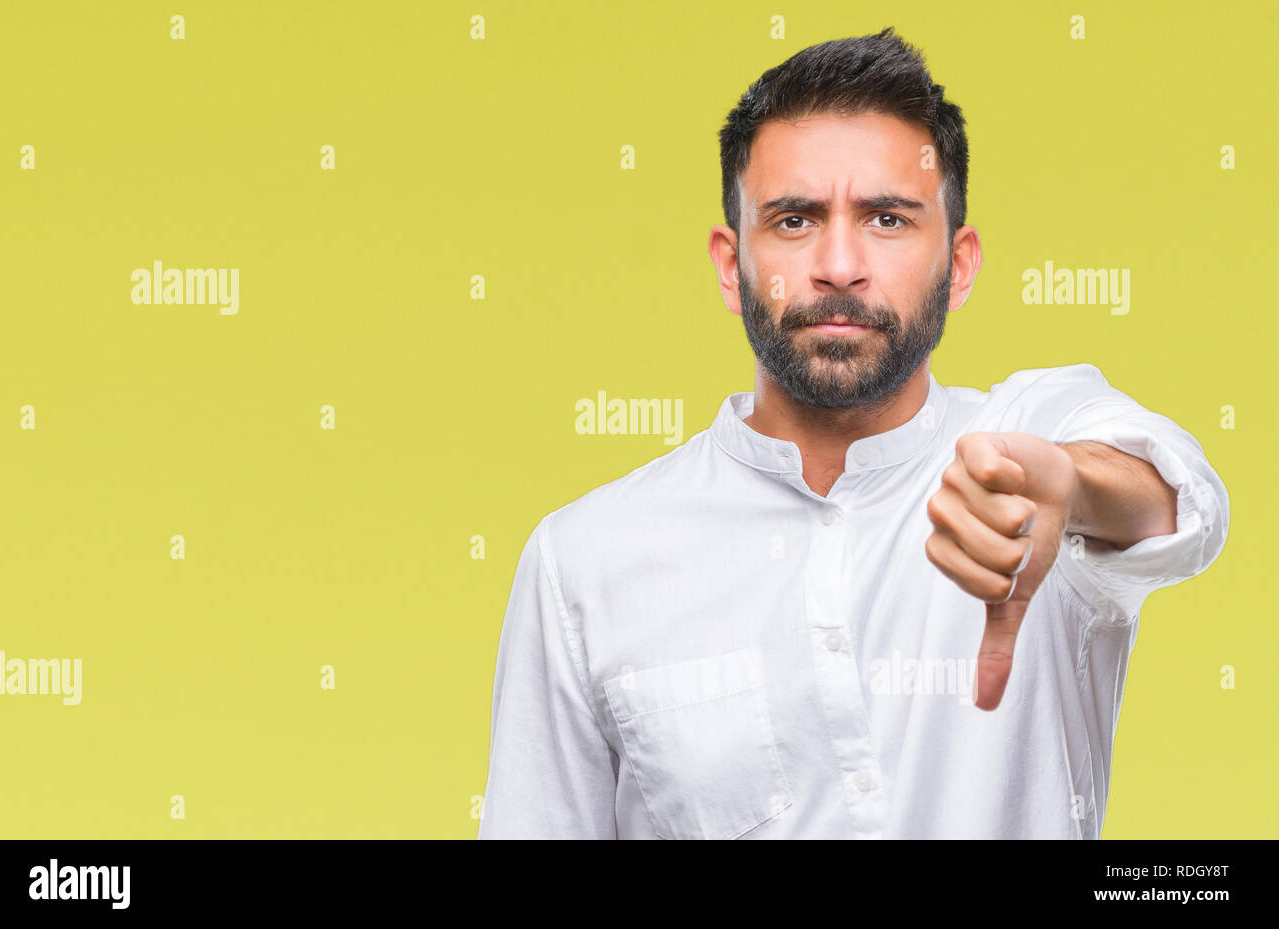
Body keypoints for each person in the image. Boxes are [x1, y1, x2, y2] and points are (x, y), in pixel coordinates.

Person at [477, 28, 1229, 839]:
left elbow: (1179, 501)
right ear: (732, 266)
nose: (839, 263)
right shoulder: (584, 561)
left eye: (887, 219)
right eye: (795, 220)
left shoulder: (1028, 434)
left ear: (961, 263)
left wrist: (1070, 488)